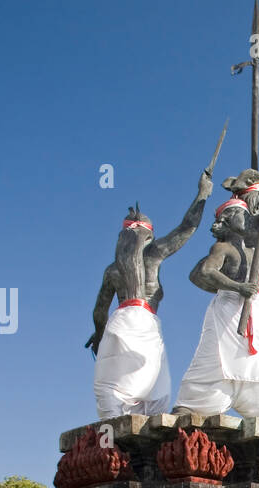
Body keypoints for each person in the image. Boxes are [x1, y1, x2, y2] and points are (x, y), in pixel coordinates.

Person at [88, 169, 213, 417]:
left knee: (117, 394)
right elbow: (187, 228)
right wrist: (203, 194)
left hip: (117, 329)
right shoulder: (153, 255)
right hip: (144, 328)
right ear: (149, 236)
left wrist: (99, 336)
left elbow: (99, 311)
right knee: (153, 392)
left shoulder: (112, 270)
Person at [174, 189, 259, 420]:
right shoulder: (222, 248)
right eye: (242, 214)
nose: (248, 217)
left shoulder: (255, 251)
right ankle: (196, 401)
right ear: (229, 219)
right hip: (229, 306)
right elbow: (206, 270)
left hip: (252, 309)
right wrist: (237, 287)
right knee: (215, 355)